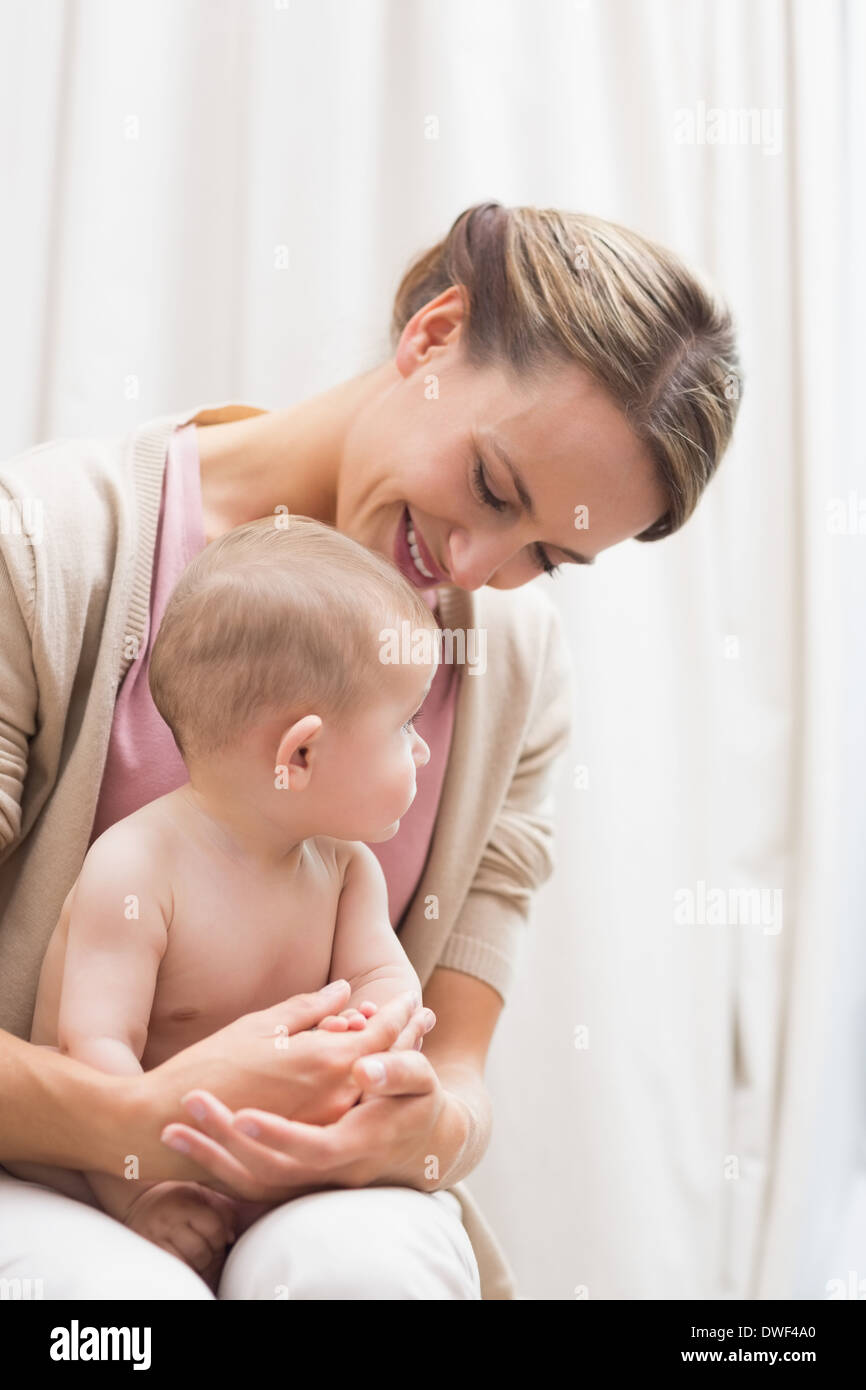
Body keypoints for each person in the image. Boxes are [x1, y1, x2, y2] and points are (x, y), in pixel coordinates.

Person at [0, 202, 742, 1299]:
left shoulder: (515, 673)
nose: (472, 563)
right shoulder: (49, 546)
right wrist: (138, 1123)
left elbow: (457, 1082)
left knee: (366, 1274)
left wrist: (411, 1132)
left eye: (544, 551)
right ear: (433, 335)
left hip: (303, 1202)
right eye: (492, 485)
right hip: (35, 1167)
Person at [6, 515, 441, 1288]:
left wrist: (381, 1030)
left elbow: (386, 981)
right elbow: (96, 1056)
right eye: (403, 724)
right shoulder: (136, 869)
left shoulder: (345, 870)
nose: (423, 749)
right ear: (298, 755)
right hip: (102, 1168)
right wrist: (143, 1192)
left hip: (256, 1160)